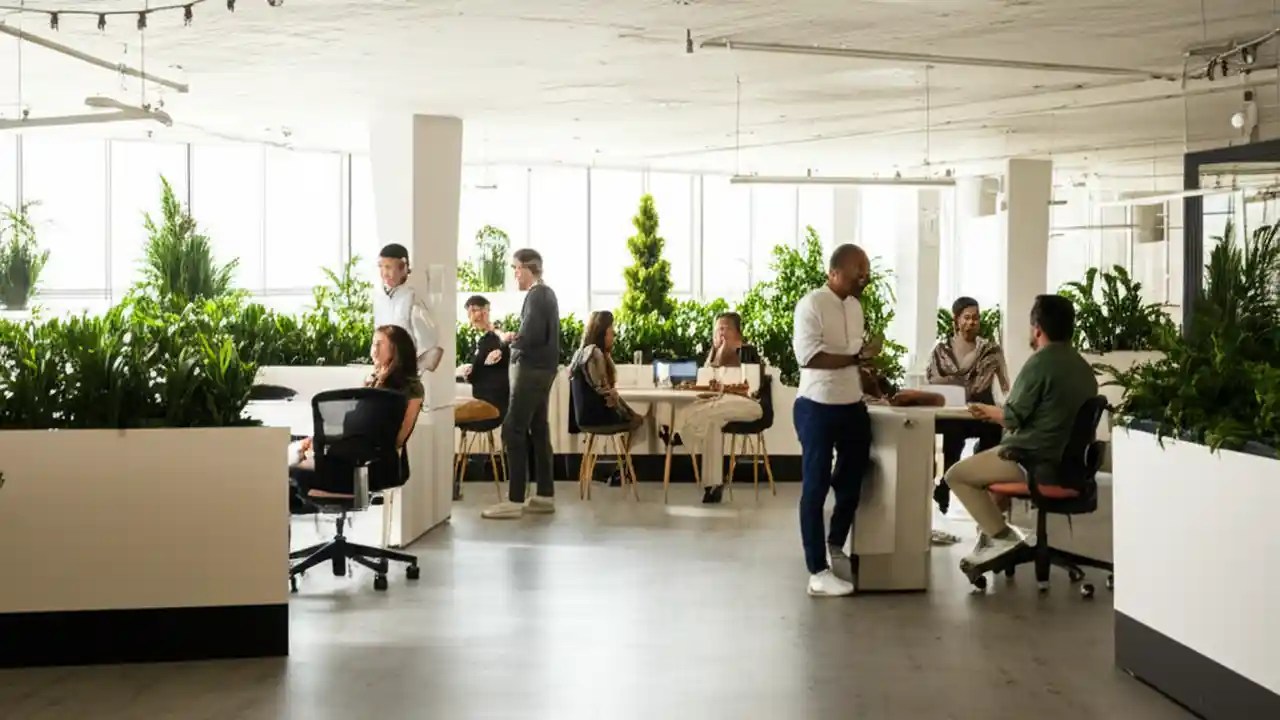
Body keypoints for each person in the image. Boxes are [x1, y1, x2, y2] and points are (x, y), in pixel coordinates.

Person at [945, 294, 1099, 570]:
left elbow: (1013, 417)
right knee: (989, 475)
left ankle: (1003, 539)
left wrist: (984, 410)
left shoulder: (1040, 363)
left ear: (1037, 328)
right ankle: (995, 542)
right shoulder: (1084, 370)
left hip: (1030, 459)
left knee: (956, 475)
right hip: (1067, 465)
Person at [791, 243, 875, 598]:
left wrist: (867, 373)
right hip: (816, 406)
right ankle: (817, 571)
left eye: (866, 268)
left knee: (853, 479)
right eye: (859, 268)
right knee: (816, 486)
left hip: (851, 405)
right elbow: (809, 357)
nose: (865, 275)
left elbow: (855, 357)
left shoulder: (856, 307)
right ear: (835, 272)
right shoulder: (812, 303)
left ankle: (835, 541)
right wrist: (856, 358)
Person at [289, 325, 424, 510]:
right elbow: (396, 439)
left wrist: (332, 448)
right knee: (295, 462)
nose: (373, 350)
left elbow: (396, 437)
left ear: (396, 348)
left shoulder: (407, 389)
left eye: (379, 344)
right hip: (380, 467)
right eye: (372, 344)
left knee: (288, 468)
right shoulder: (378, 383)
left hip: (366, 468)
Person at [483, 248, 560, 520]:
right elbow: (535, 333)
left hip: (531, 371)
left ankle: (515, 499)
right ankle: (544, 495)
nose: (514, 273)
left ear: (529, 267)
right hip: (542, 369)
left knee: (513, 428)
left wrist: (506, 339)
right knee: (538, 429)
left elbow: (531, 336)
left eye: (516, 268)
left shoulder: (538, 295)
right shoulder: (545, 294)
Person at [926, 296, 1011, 514]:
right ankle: (945, 484)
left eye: (976, 318)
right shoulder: (941, 350)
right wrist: (954, 385)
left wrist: (1005, 408)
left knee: (993, 431)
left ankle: (977, 481)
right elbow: (932, 380)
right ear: (956, 320)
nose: (972, 322)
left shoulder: (991, 350)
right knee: (951, 434)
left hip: (982, 410)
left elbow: (1004, 386)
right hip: (952, 411)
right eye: (967, 317)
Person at [684, 312, 764, 504]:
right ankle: (713, 485)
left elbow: (751, 387)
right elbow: (705, 381)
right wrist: (716, 353)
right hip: (720, 406)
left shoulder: (746, 351)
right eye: (718, 328)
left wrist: (724, 352)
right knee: (712, 421)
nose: (720, 333)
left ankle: (686, 431)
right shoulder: (712, 354)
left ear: (738, 333)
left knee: (708, 412)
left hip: (750, 405)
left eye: (725, 328)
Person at [568, 311, 645, 433]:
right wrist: (628, 414)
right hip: (599, 419)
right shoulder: (595, 354)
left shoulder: (580, 353)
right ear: (603, 333)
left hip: (585, 418)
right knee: (639, 421)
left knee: (636, 418)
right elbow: (606, 394)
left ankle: (625, 450)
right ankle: (627, 452)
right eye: (611, 331)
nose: (613, 335)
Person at [373, 243, 443, 376]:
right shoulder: (378, 296)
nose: (384, 274)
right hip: (383, 369)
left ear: (403, 267)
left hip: (405, 372)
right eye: (381, 267)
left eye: (388, 267)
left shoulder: (414, 296)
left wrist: (413, 371)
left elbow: (430, 342)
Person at [455, 295, 509, 425]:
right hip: (485, 399)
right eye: (469, 313)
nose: (471, 317)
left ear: (485, 311)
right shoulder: (484, 340)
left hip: (491, 404)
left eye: (473, 311)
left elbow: (480, 371)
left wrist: (469, 374)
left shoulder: (494, 340)